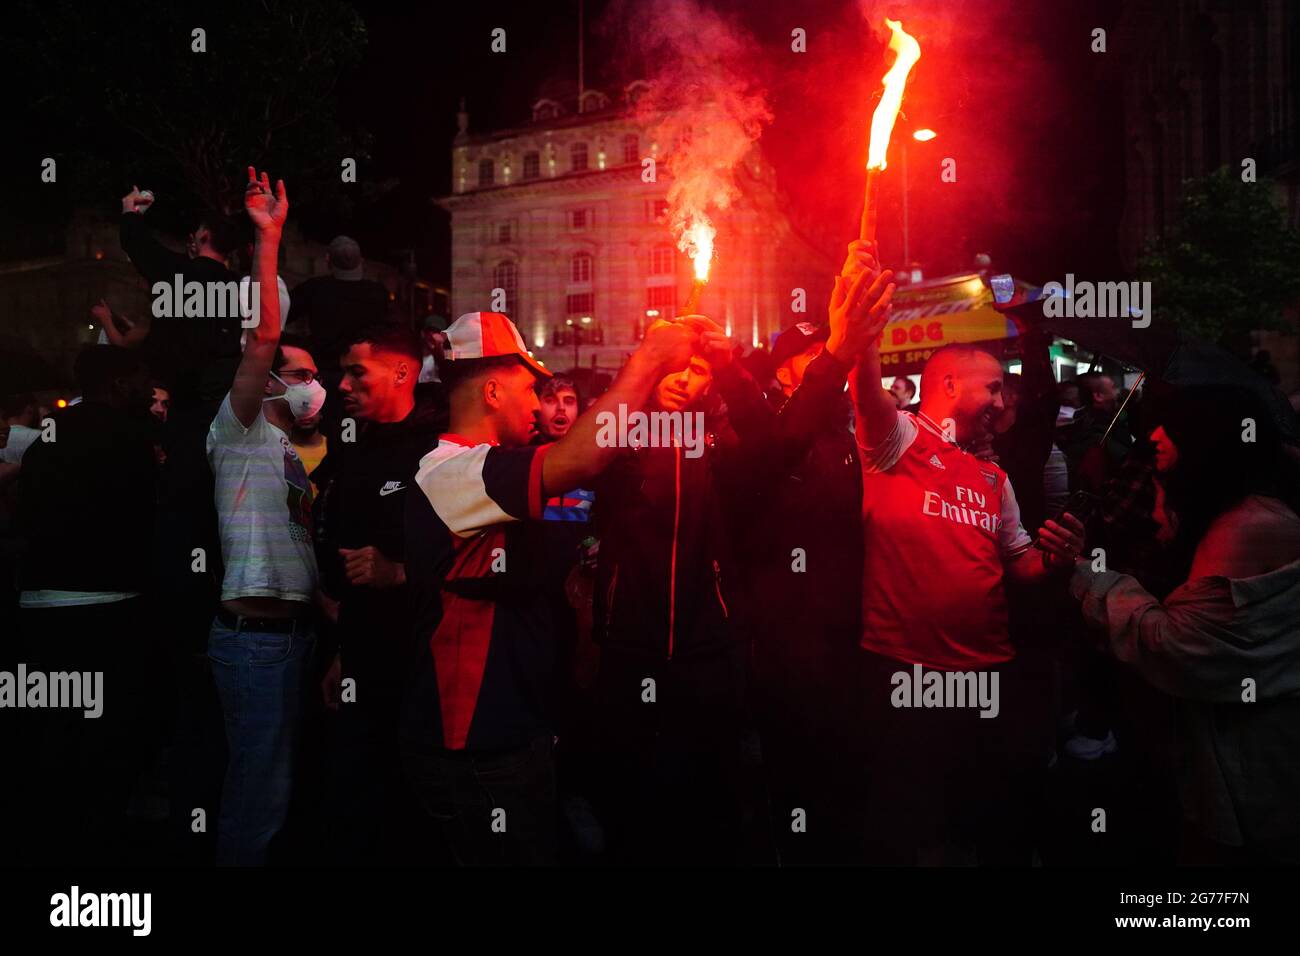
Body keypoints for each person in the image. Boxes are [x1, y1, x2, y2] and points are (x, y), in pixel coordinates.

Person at [401, 309, 696, 866]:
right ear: (491, 390)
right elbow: (579, 457)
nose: (539, 405)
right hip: (478, 748)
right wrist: (649, 357)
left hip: (512, 733)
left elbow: (587, 465)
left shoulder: (491, 468)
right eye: (529, 389)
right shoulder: (452, 472)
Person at [849, 303, 1085, 864]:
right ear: (949, 384)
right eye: (994, 389)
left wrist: (1057, 559)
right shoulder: (896, 441)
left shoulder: (993, 476)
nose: (1002, 404)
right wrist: (862, 332)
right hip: (908, 670)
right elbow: (865, 392)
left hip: (988, 670)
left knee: (984, 807)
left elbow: (1021, 563)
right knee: (915, 815)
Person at [708, 240, 891, 864]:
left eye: (828, 353)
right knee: (799, 792)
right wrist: (834, 353)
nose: (825, 364)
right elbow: (772, 451)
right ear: (786, 372)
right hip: (785, 649)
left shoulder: (854, 437)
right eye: (810, 358)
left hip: (855, 640)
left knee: (854, 785)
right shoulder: (750, 436)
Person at [1068, 386, 1300, 864]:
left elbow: (1174, 646)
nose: (1153, 441)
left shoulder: (1244, 526)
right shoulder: (1242, 505)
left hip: (1257, 769)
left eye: (1166, 438)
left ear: (1207, 444)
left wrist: (1091, 578)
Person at [205, 168, 319, 867]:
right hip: (256, 643)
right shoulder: (237, 428)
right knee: (258, 798)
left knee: (280, 792)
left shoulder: (289, 448)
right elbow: (263, 331)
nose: (312, 383)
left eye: (310, 371)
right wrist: (269, 238)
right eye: (298, 371)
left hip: (292, 640)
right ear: (270, 379)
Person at [15, 345, 158, 865]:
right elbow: (148, 521)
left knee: (52, 739)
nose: (149, 387)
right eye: (142, 377)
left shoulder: (48, 439)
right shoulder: (132, 439)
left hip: (39, 610)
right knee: (106, 745)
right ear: (120, 383)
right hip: (106, 610)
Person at [310, 321, 440, 865]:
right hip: (361, 658)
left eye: (356, 371)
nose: (342, 384)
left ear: (403, 372)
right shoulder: (353, 450)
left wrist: (404, 572)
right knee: (356, 797)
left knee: (418, 800)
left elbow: (479, 548)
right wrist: (343, 648)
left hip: (423, 663)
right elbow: (336, 551)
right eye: (343, 371)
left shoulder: (439, 449)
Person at [536, 376, 581, 441]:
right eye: (550, 401)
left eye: (569, 402)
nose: (561, 407)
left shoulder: (589, 449)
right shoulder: (522, 450)